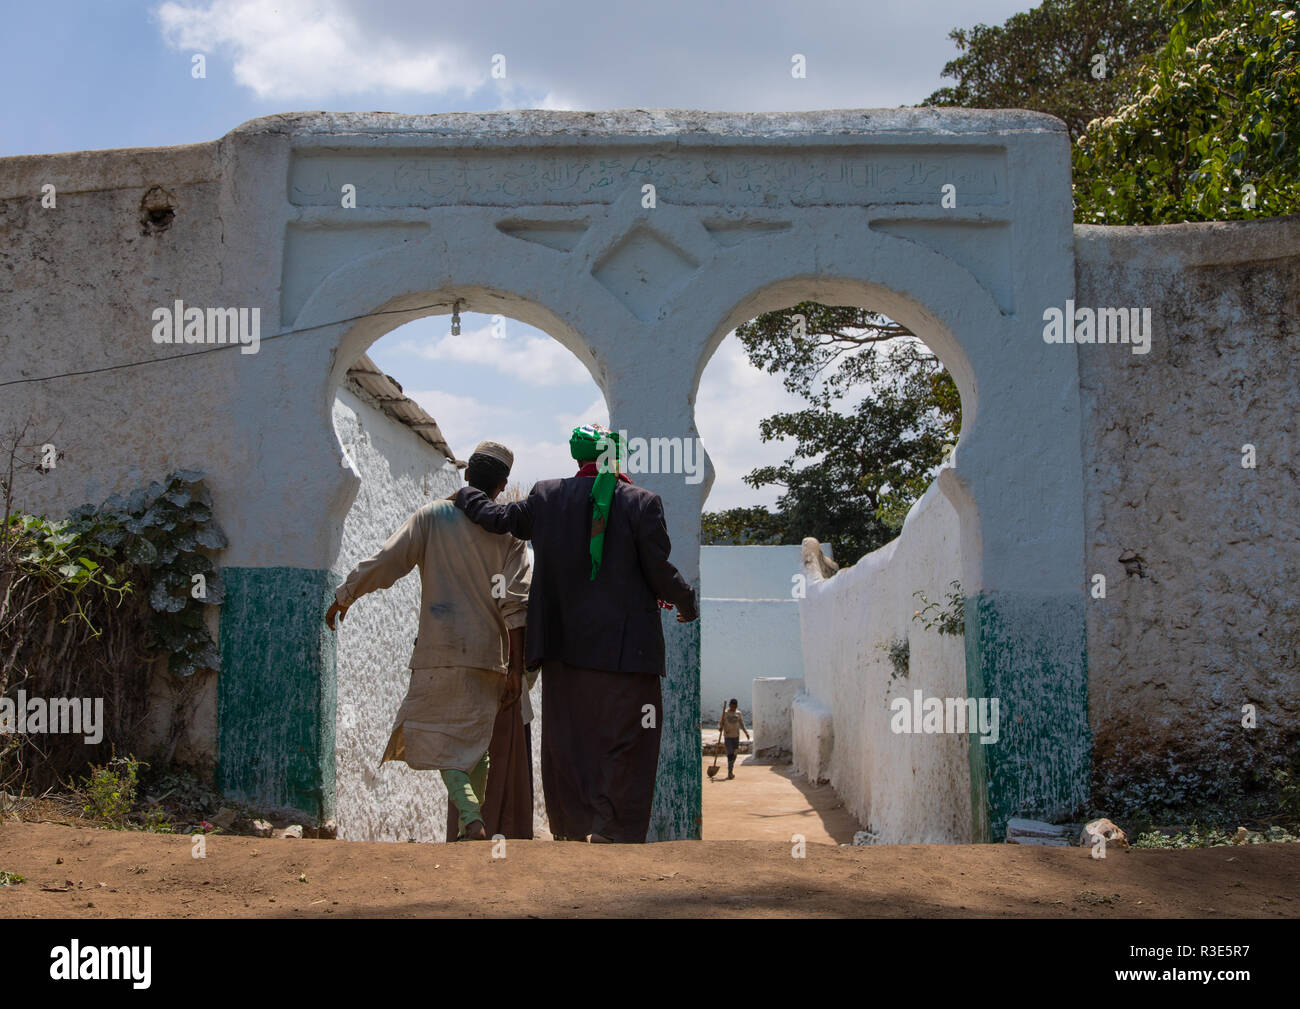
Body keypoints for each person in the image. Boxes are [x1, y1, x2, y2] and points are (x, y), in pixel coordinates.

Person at [453, 424, 698, 843]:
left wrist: (465, 493)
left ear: (577, 455)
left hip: (562, 651)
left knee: (568, 743)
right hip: (627, 656)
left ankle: (572, 828)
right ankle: (610, 829)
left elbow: (497, 518)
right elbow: (659, 572)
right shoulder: (641, 503)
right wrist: (686, 602)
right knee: (628, 741)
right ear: (615, 456)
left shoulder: (547, 496)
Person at [326, 441, 530, 842]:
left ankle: (471, 819)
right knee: (475, 746)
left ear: (467, 474)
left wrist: (346, 595)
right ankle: (471, 824)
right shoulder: (511, 535)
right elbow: (516, 607)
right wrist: (516, 670)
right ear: (502, 486)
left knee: (442, 744)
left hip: (439, 653)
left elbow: (386, 561)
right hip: (490, 659)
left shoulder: (432, 517)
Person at [718, 699, 749, 779]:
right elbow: (720, 723)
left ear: (736, 706)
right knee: (730, 754)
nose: (733, 708)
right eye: (732, 706)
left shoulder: (738, 713)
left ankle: (730, 767)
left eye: (735, 707)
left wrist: (746, 733)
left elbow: (742, 724)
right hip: (728, 737)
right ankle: (730, 772)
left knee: (735, 754)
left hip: (736, 737)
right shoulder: (725, 713)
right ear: (729, 705)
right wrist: (720, 728)